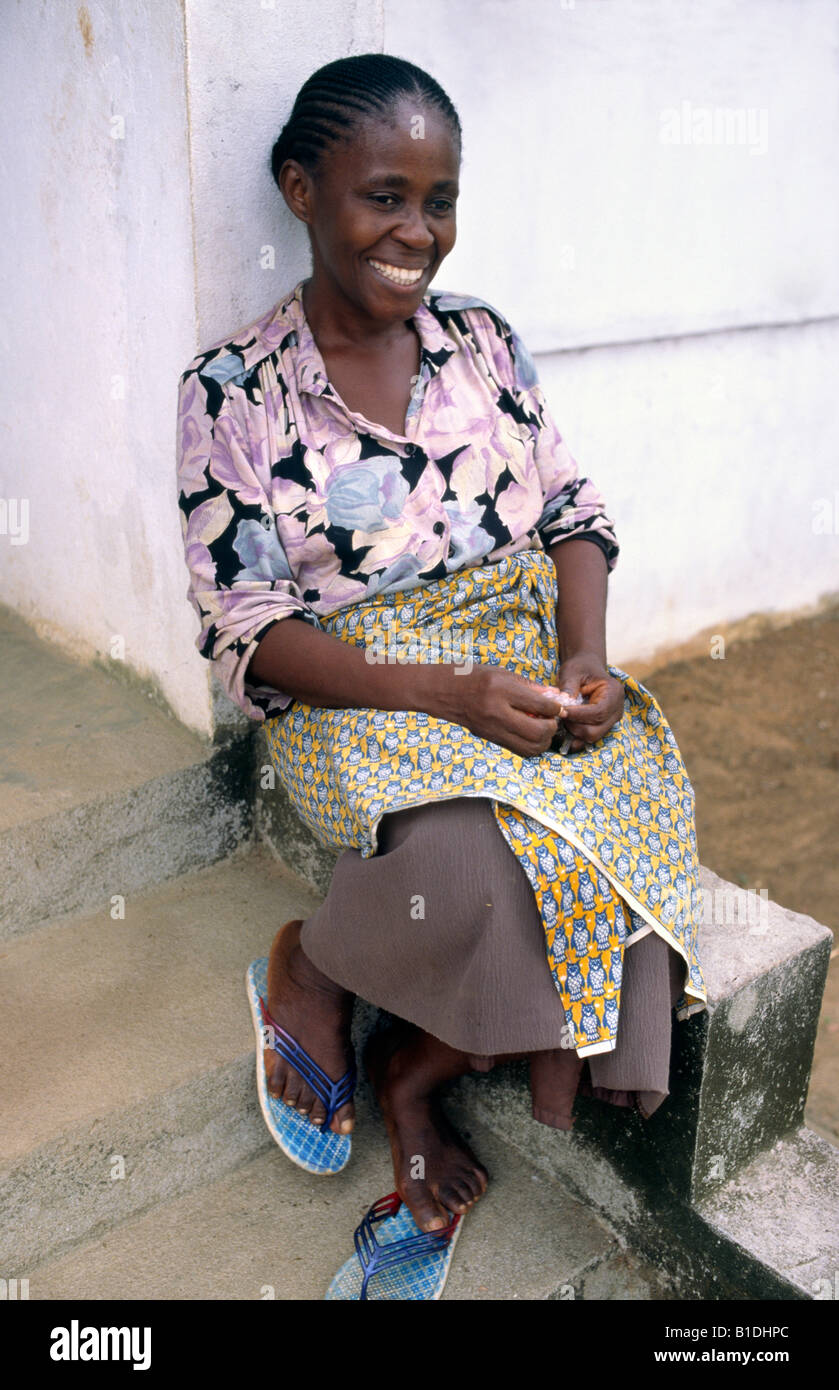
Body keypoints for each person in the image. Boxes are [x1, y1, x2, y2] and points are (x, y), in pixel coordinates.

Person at [176, 54, 706, 1247]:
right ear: (300, 188)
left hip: (511, 662)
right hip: (354, 685)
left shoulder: (480, 341)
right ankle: (315, 967)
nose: (417, 232)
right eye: (384, 196)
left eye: (439, 199)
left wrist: (585, 658)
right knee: (474, 866)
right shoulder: (232, 391)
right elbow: (245, 624)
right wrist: (447, 694)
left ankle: (414, 1068)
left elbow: (571, 509)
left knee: (630, 811)